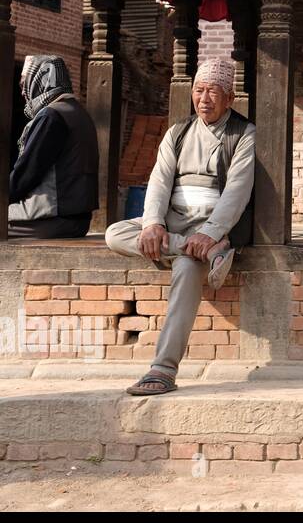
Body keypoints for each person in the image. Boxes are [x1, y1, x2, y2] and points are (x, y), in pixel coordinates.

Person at [106, 58, 253, 396]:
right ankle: (202, 250)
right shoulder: (179, 132)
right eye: (199, 91)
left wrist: (212, 232)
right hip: (174, 220)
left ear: (229, 97)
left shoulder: (243, 134)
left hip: (210, 223)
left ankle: (163, 370)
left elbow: (237, 191)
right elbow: (159, 180)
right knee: (116, 233)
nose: (204, 99)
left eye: (213, 92)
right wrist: (153, 223)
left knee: (187, 266)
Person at [8, 55, 98, 238]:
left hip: (51, 218)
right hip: (75, 219)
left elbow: (25, 175)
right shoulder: (76, 111)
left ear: (41, 80)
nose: (23, 92)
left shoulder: (52, 116)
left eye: (24, 84)